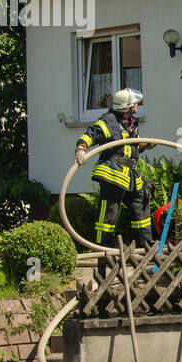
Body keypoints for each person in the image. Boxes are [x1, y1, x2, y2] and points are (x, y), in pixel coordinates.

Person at [74, 88, 152, 248]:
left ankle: (144, 243)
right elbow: (91, 134)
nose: (137, 105)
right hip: (112, 172)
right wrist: (81, 148)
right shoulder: (109, 120)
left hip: (128, 173)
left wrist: (146, 145)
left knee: (141, 199)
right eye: (135, 103)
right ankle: (105, 245)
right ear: (128, 106)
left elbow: (134, 146)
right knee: (110, 210)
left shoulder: (130, 122)